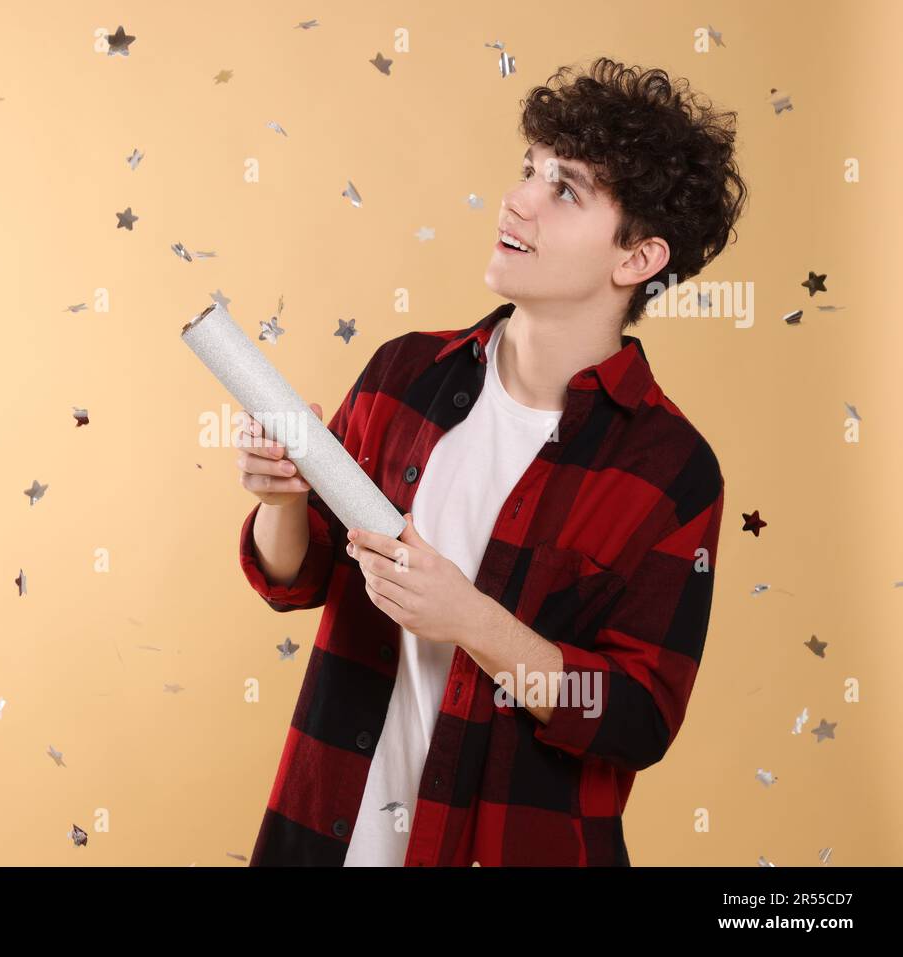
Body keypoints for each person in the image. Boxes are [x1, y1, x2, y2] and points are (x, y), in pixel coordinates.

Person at [233, 57, 745, 866]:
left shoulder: (670, 469)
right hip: (328, 833)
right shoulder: (406, 375)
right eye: (529, 170)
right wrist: (282, 499)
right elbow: (297, 577)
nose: (518, 199)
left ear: (639, 259)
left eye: (565, 189)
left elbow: (634, 718)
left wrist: (470, 620)